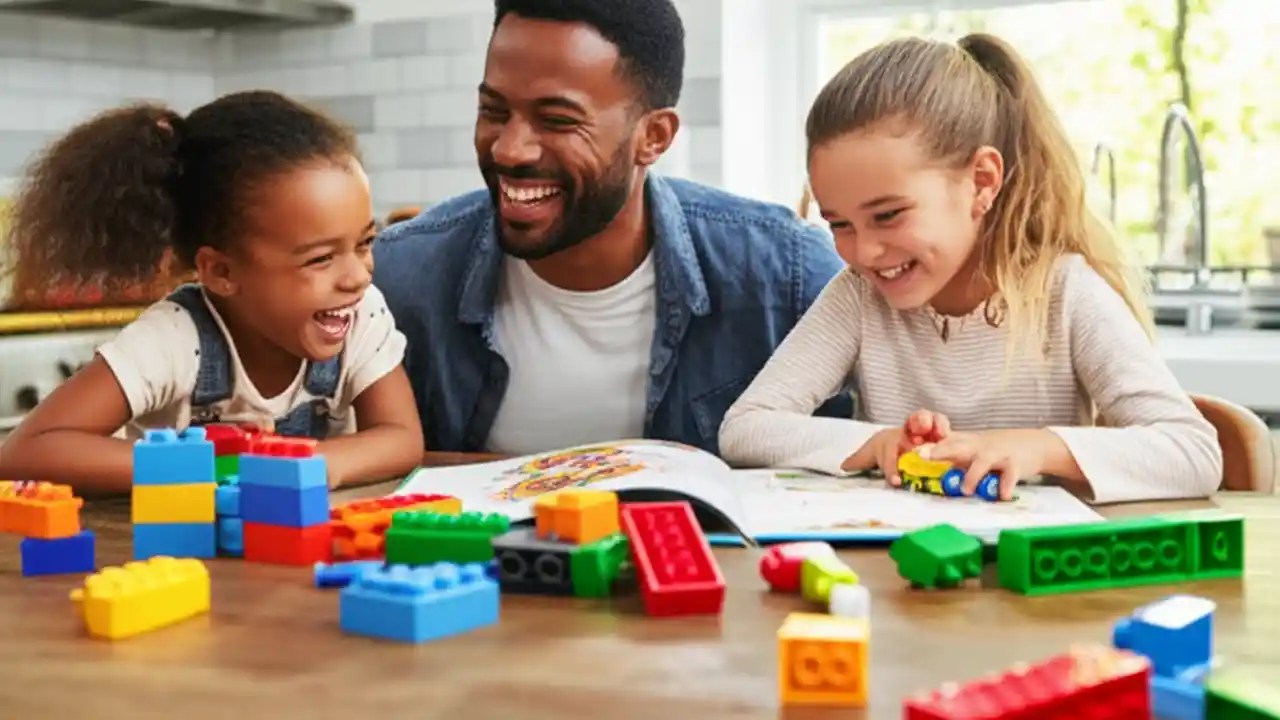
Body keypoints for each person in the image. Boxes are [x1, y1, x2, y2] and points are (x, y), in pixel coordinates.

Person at [718, 34, 1222, 504]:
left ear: (981, 181)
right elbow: (746, 426)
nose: (865, 252)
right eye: (839, 223)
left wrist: (1036, 449)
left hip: (1034, 584)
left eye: (888, 215)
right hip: (900, 579)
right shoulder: (857, 299)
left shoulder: (1065, 293)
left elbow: (1193, 451)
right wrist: (878, 443)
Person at [374, 0, 850, 456]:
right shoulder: (397, 279)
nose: (509, 150)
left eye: (558, 120)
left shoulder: (788, 274)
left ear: (653, 137)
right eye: (494, 112)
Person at [0, 91, 423, 495]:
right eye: (320, 259)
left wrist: (311, 464)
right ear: (221, 271)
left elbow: (401, 437)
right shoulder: (176, 339)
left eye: (364, 243)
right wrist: (209, 468)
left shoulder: (360, 314)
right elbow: (25, 453)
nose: (357, 276)